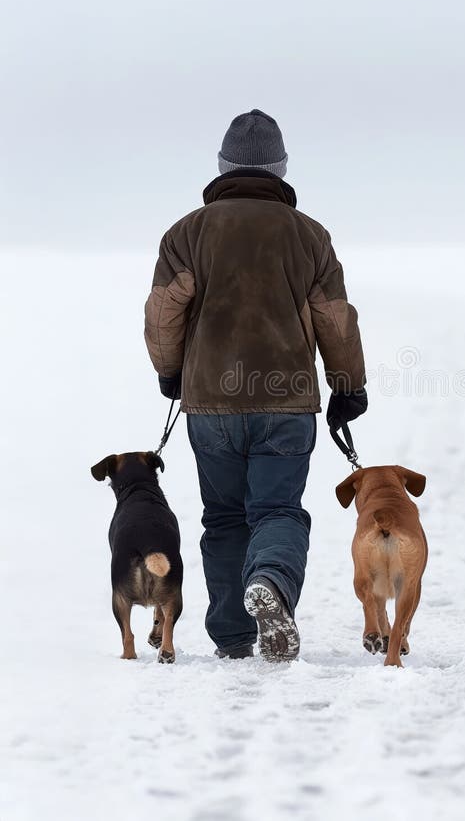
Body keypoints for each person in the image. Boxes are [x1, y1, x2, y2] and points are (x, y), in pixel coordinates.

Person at [144, 109, 367, 662]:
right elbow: (334, 317)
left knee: (222, 517)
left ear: (222, 167)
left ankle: (233, 637)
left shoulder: (187, 233)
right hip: (286, 399)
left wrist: (171, 373)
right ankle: (270, 581)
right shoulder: (309, 234)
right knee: (278, 512)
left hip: (210, 401)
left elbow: (163, 314)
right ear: (281, 168)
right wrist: (348, 386)